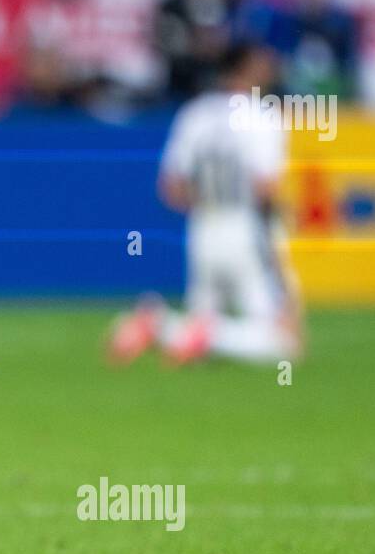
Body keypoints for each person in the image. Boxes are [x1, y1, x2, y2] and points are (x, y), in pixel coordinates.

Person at [109, 43, 302, 366]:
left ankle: (156, 323)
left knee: (194, 338)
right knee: (283, 343)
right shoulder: (261, 115)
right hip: (243, 225)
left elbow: (171, 189)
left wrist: (206, 201)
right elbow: (266, 188)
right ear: (247, 68)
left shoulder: (195, 113)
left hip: (202, 227)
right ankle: (208, 334)